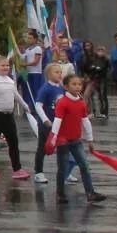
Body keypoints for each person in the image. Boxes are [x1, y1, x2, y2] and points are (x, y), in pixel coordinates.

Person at [49, 75, 107, 205]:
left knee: (84, 166)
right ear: (66, 86)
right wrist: (53, 138)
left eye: (79, 84)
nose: (77, 87)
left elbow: (85, 122)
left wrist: (90, 140)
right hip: (63, 141)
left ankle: (90, 193)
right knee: (62, 168)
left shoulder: (81, 103)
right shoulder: (62, 102)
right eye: (74, 84)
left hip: (76, 141)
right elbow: (57, 121)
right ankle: (60, 194)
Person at [32, 63, 66, 186]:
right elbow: (38, 105)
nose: (59, 74)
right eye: (56, 72)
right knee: (42, 147)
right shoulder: (45, 88)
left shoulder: (61, 88)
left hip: (59, 123)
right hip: (46, 125)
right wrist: (45, 120)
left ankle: (64, 172)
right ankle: (38, 172)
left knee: (63, 148)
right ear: (48, 74)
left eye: (60, 72)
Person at [83, 44, 110, 118]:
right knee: (94, 96)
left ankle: (104, 112)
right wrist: (94, 68)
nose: (100, 52)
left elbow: (104, 69)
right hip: (94, 79)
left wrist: (96, 68)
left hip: (102, 79)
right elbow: (90, 68)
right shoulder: (94, 59)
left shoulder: (106, 59)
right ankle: (95, 112)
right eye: (99, 50)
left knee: (102, 95)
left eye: (102, 50)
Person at [19, 29, 43, 105]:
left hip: (36, 73)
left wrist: (24, 65)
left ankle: (37, 108)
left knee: (35, 91)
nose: (28, 40)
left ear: (35, 39)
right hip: (28, 73)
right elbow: (22, 58)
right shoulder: (27, 50)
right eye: (28, 38)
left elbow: (36, 62)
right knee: (28, 91)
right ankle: (30, 107)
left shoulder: (38, 48)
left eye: (30, 38)